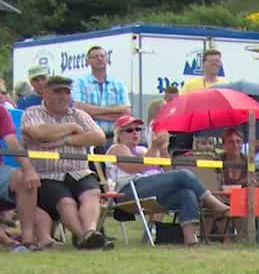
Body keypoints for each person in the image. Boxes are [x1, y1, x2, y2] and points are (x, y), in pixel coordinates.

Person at [106, 116, 231, 245]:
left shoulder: (143, 150)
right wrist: (154, 147)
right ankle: (214, 206)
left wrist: (163, 149)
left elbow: (168, 172)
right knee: (184, 175)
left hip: (150, 191)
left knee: (187, 192)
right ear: (118, 134)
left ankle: (191, 239)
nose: (135, 133)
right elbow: (137, 168)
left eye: (138, 129)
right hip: (128, 191)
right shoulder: (117, 149)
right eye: (130, 130)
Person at [21, 75, 109, 249]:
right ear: (45, 94)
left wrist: (64, 140)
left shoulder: (79, 114)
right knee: (65, 201)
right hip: (47, 175)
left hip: (79, 170)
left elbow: (99, 137)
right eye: (58, 92)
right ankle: (83, 237)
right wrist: (72, 128)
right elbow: (40, 133)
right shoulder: (32, 113)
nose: (63, 96)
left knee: (92, 194)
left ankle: (90, 233)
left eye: (67, 92)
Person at [71, 45, 131, 143]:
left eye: (102, 56)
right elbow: (78, 109)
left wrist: (92, 114)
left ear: (107, 59)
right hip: (89, 137)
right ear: (88, 61)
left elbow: (126, 112)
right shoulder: (80, 82)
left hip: (114, 138)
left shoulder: (119, 83)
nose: (99, 59)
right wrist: (113, 110)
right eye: (95, 57)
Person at [0, 105, 39, 250]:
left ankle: (27, 241)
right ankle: (6, 240)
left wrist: (29, 170)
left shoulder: (1, 111)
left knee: (25, 179)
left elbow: (13, 144)